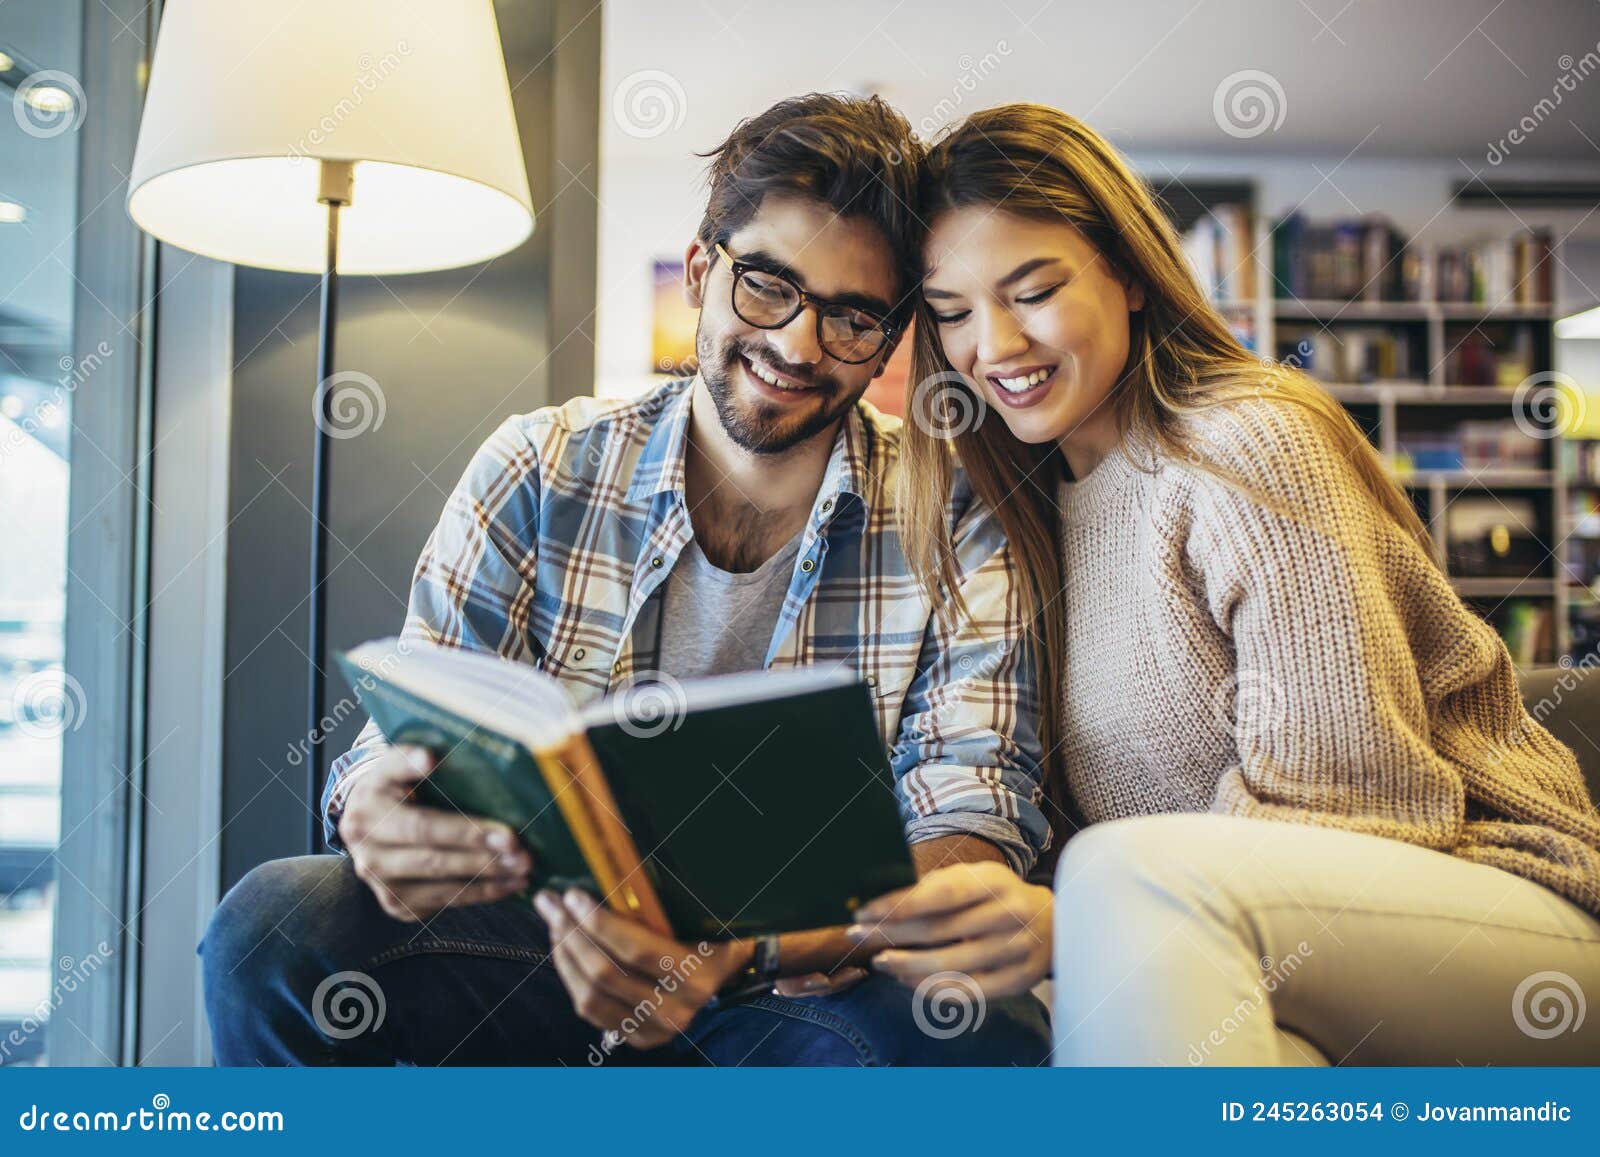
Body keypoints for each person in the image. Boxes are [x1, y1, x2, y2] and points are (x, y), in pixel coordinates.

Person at [200, 94, 1053, 1067]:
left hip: (794, 986)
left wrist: (753, 943)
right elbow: (409, 735)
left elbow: (970, 811)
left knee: (980, 1025)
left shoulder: (956, 512)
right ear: (699, 271)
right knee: (273, 925)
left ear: (891, 338)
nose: (797, 345)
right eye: (767, 285)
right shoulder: (540, 465)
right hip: (544, 950)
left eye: (852, 317)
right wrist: (374, 809)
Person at [856, 103, 1600, 1065]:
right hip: (1245, 945)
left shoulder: (1246, 444)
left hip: (1494, 902)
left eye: (1032, 290)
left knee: (1122, 885)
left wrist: (1080, 918)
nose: (992, 345)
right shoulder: (1024, 511)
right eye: (952, 313)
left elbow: (1358, 801)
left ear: (1128, 273)